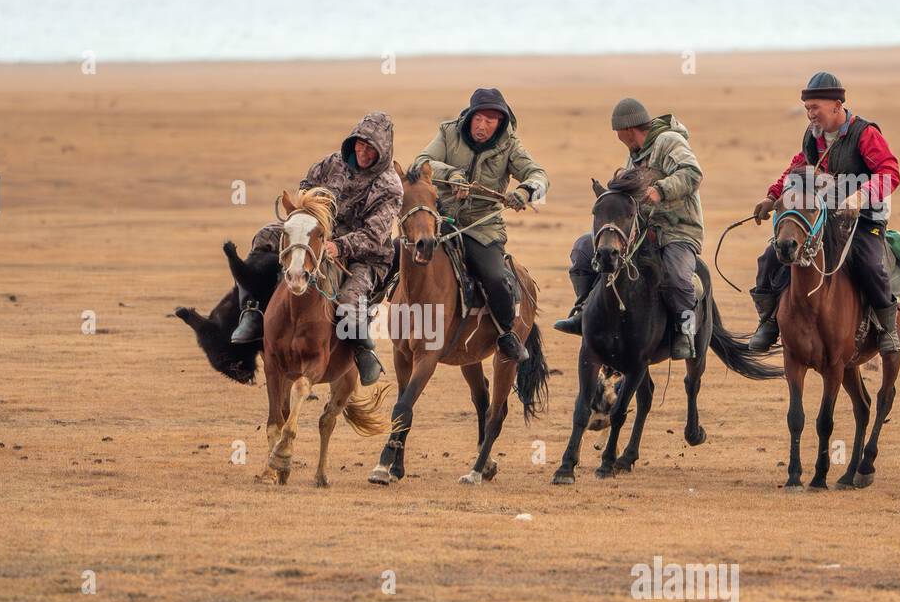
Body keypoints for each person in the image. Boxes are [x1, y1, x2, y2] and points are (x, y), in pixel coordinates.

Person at [230, 111, 401, 385]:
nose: (364, 153)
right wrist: (306, 218)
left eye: (372, 149)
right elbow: (306, 189)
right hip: (316, 233)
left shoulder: (390, 186)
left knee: (348, 302)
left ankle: (361, 350)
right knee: (265, 236)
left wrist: (339, 246)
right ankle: (251, 310)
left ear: (384, 152)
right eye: (361, 144)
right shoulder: (331, 163)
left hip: (364, 255)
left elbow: (375, 234)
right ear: (353, 141)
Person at [747, 72, 900, 353]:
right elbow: (798, 165)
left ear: (836, 105)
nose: (810, 115)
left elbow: (890, 173)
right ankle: (769, 321)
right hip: (823, 215)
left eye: (814, 108)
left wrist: (860, 196)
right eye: (807, 109)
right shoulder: (814, 136)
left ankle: (886, 328)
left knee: (868, 262)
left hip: (864, 218)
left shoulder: (865, 134)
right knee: (772, 256)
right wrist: (772, 196)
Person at [555, 98, 705, 360]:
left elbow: (692, 173)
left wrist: (661, 190)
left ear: (627, 129)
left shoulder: (670, 141)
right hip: (640, 230)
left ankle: (685, 332)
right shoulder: (635, 154)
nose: (619, 139)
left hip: (678, 230)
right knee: (584, 250)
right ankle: (583, 311)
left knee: (677, 277)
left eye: (618, 134)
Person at [412, 88, 549, 362]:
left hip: (482, 228)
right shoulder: (448, 132)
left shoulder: (510, 145)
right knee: (398, 254)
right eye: (479, 118)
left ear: (501, 122)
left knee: (496, 278)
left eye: (491, 120)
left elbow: (539, 176)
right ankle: (367, 324)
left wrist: (524, 191)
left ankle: (506, 333)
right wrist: (450, 174)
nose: (483, 125)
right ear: (470, 116)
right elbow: (421, 163)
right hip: (442, 220)